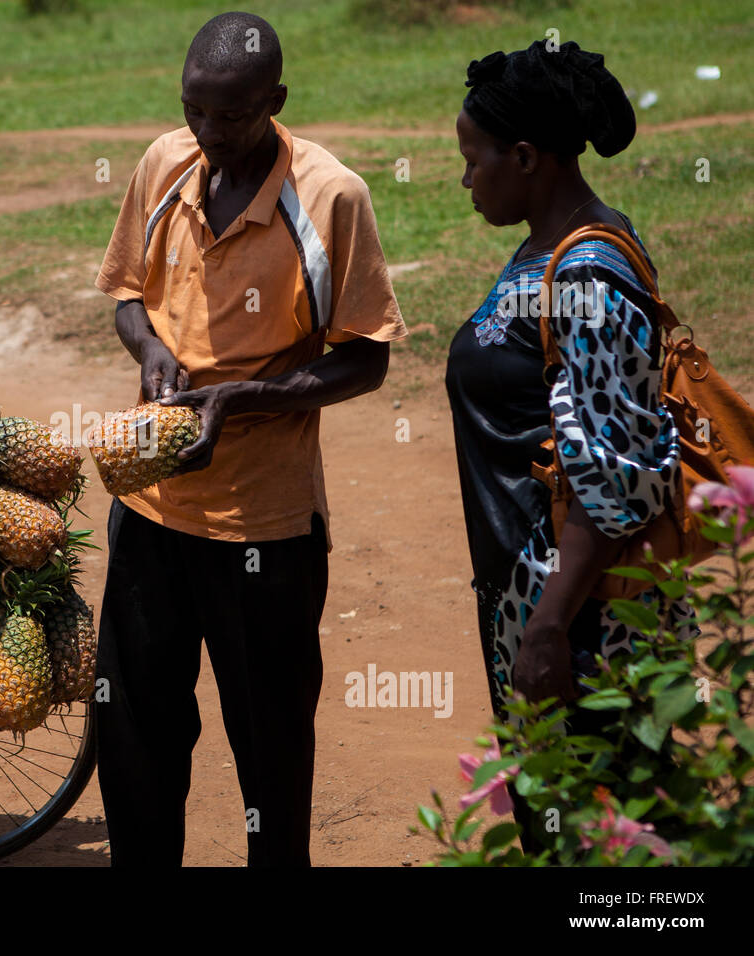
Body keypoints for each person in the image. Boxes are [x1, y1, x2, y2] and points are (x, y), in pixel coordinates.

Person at [93, 11, 406, 867]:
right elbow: (126, 292)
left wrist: (244, 400)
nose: (207, 133)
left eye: (229, 117)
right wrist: (150, 346)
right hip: (151, 513)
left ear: (275, 102)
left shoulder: (331, 197)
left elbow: (366, 360)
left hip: (262, 531)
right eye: (194, 110)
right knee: (133, 732)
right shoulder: (166, 164)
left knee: (269, 749)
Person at [444, 41, 692, 788]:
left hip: (584, 621)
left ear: (525, 157)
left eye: (472, 156)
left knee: (606, 834)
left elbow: (609, 478)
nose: (464, 178)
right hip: (536, 601)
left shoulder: (589, 275)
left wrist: (549, 628)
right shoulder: (545, 252)